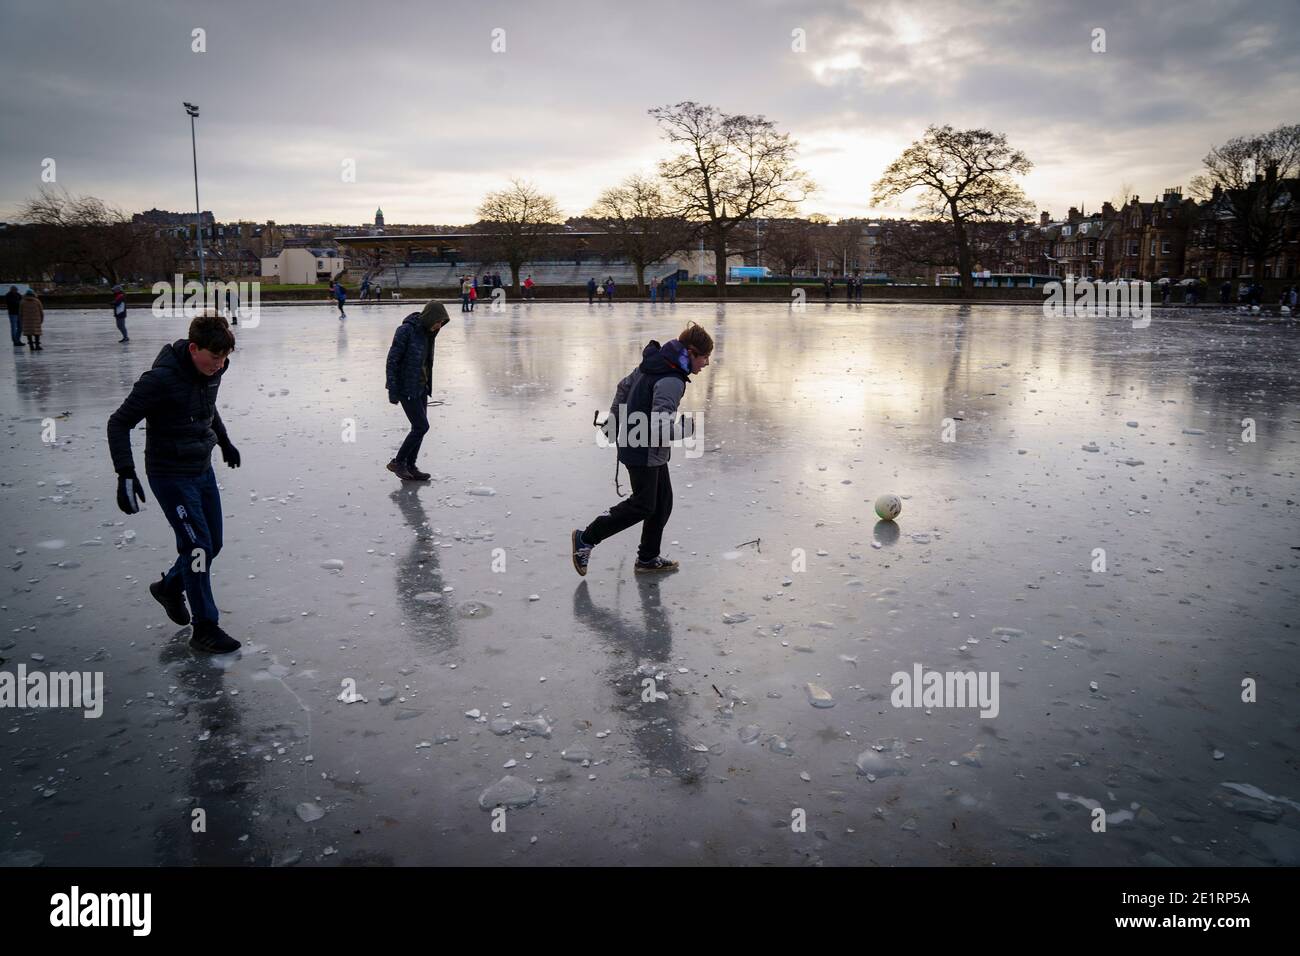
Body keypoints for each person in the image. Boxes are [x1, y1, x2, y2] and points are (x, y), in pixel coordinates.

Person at [106, 312, 241, 654]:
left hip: (202, 468)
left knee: (214, 545)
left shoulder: (215, 369)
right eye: (214, 357)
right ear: (194, 348)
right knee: (197, 548)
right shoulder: (160, 380)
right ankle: (205, 627)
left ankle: (168, 587)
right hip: (170, 475)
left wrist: (224, 442)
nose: (220, 364)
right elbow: (118, 423)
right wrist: (125, 471)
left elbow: (208, 406)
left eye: (225, 357)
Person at [571, 322, 713, 577]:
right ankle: (586, 537)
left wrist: (614, 422)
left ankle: (647, 558)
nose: (706, 363)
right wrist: (688, 429)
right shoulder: (671, 379)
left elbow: (623, 386)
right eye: (704, 357)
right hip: (643, 450)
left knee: (662, 503)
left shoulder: (655, 363)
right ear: (691, 352)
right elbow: (660, 428)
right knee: (644, 505)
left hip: (642, 445)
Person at [385, 301, 450, 481]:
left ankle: (411, 465)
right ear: (430, 317)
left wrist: (427, 385)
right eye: (438, 322)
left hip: (421, 386)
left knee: (419, 427)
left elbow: (425, 363)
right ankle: (398, 462)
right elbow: (392, 361)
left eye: (442, 323)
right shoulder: (405, 331)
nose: (439, 326)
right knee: (422, 426)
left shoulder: (429, 334)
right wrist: (393, 389)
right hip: (406, 387)